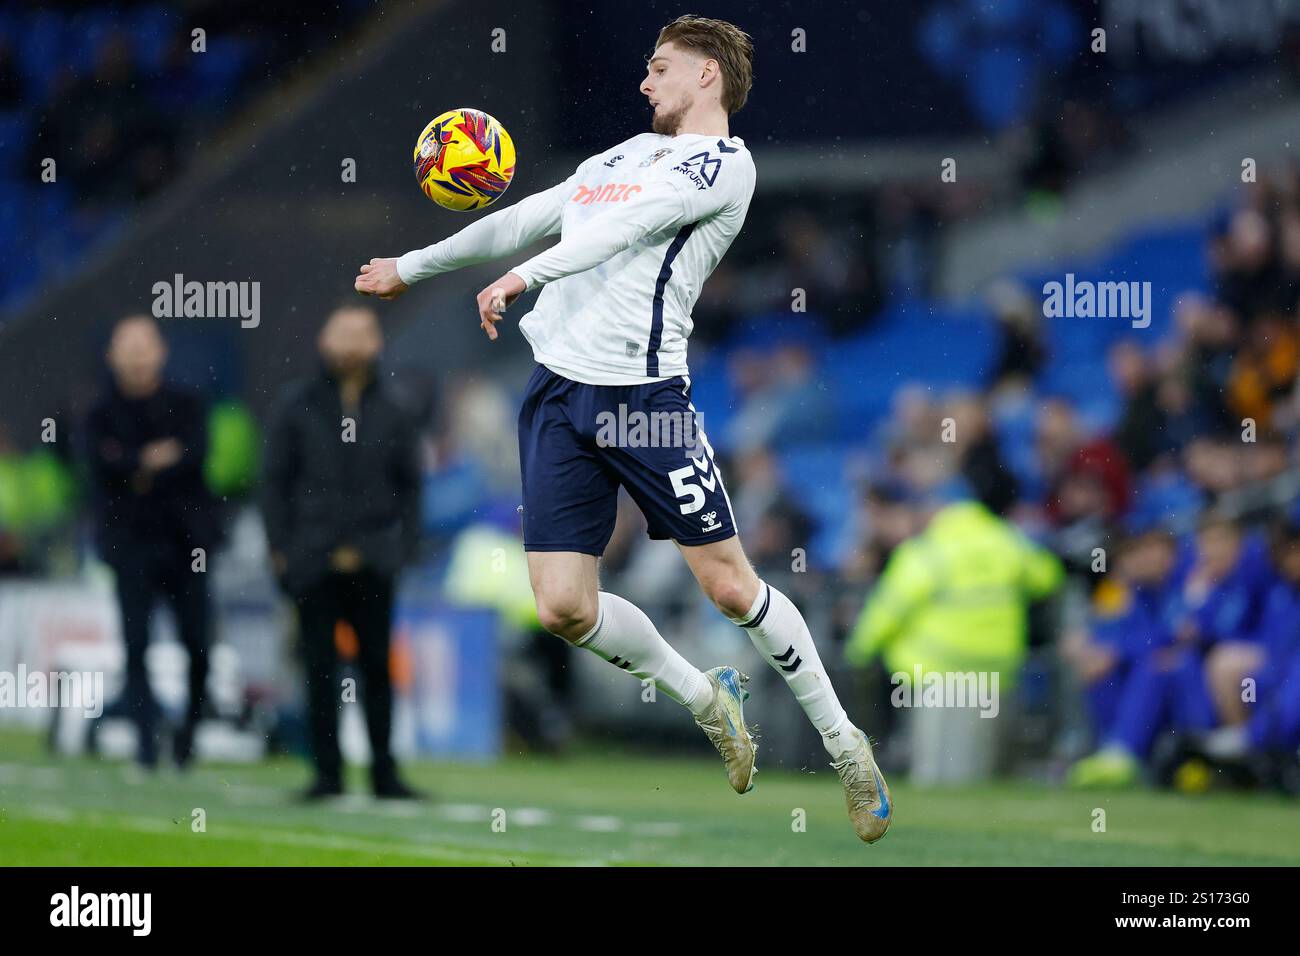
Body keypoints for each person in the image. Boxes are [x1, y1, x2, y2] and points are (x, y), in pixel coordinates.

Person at [354, 15, 892, 842]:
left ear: (707, 76)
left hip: (647, 403)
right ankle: (709, 700)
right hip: (558, 397)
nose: (644, 82)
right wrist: (412, 266)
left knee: (729, 585)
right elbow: (527, 214)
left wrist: (523, 278)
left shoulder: (724, 166)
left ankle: (844, 745)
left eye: (660, 67)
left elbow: (623, 232)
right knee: (564, 609)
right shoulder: (619, 157)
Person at [262, 305, 422, 800]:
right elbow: (274, 483)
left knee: (378, 668)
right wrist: (281, 549)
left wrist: (403, 549)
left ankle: (384, 775)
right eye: (343, 334)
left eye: (362, 334)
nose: (352, 345)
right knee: (319, 669)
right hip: (313, 558)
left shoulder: (395, 407)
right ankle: (326, 775)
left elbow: (411, 486)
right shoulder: (295, 406)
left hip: (374, 560)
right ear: (323, 341)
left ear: (377, 343)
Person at [83, 314, 216, 768]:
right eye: (128, 345)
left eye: (146, 344)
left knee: (198, 646)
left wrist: (134, 465)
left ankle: (188, 737)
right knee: (135, 646)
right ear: (111, 355)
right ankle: (145, 747)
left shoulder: (188, 404)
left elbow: (194, 457)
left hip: (186, 544)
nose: (138, 354)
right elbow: (102, 469)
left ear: (161, 351)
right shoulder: (97, 414)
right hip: (130, 544)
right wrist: (151, 459)